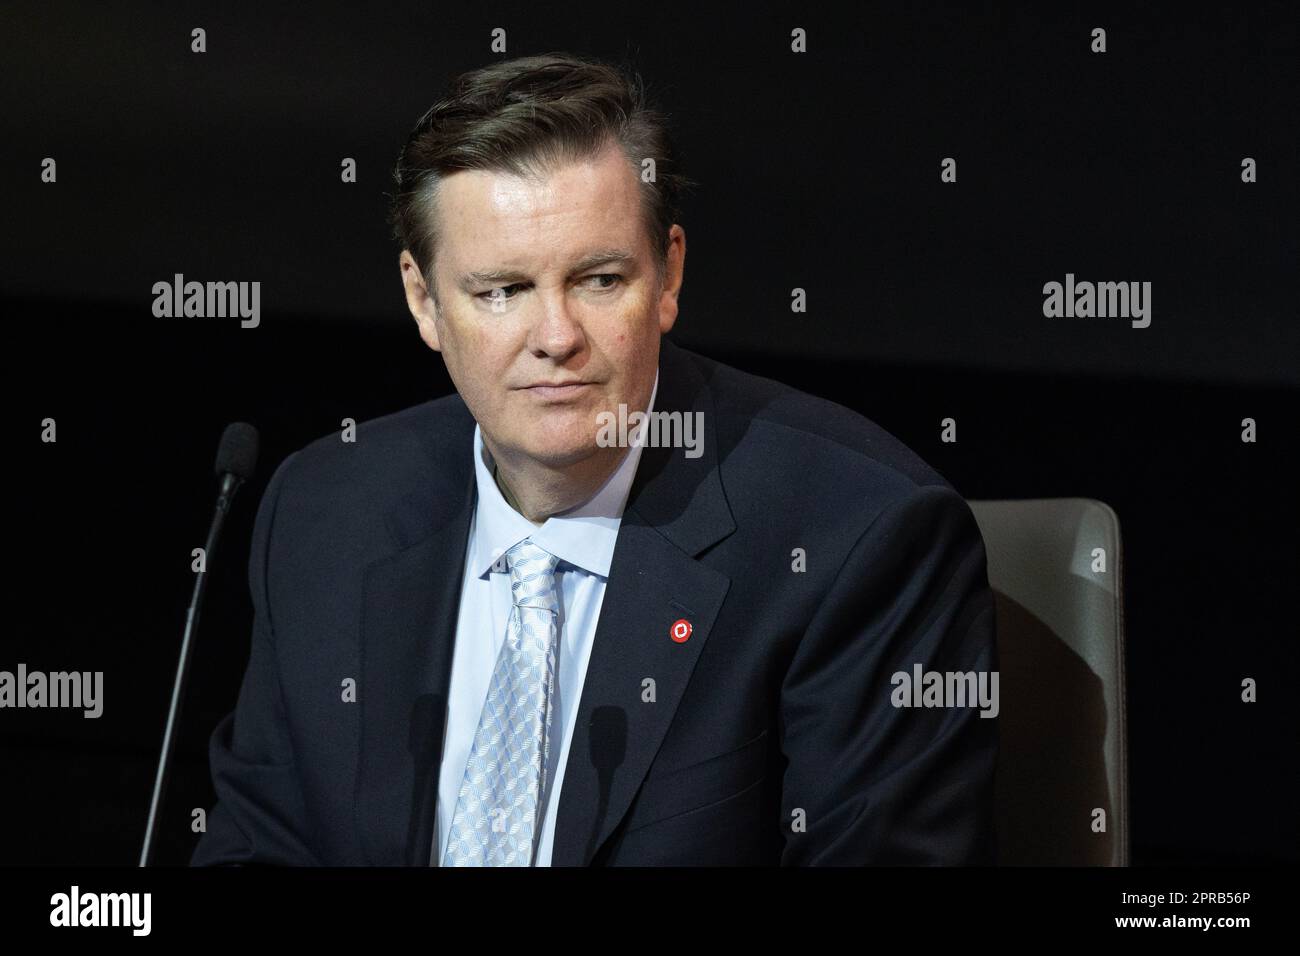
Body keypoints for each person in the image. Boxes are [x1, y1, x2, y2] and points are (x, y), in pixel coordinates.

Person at [190, 51, 998, 867]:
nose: (555, 337)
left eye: (600, 280)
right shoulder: (326, 512)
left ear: (669, 273)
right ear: (424, 301)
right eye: (501, 291)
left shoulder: (854, 541)